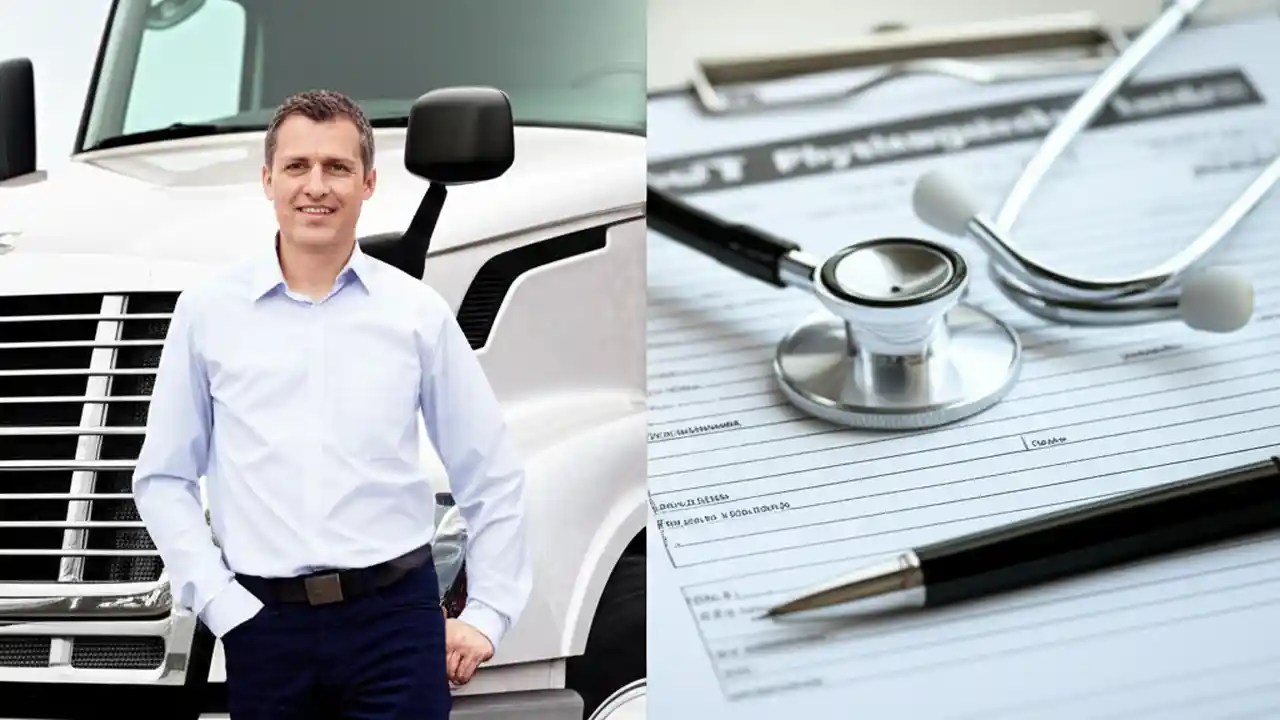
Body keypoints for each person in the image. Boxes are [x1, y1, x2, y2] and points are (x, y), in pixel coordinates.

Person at [131, 89, 532, 719]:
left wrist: (488, 612)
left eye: (337, 168)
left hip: (395, 623)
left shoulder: (415, 313)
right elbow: (162, 479)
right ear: (267, 179)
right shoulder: (206, 313)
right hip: (265, 626)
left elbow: (492, 472)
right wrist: (222, 604)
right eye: (297, 166)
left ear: (369, 182)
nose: (316, 186)